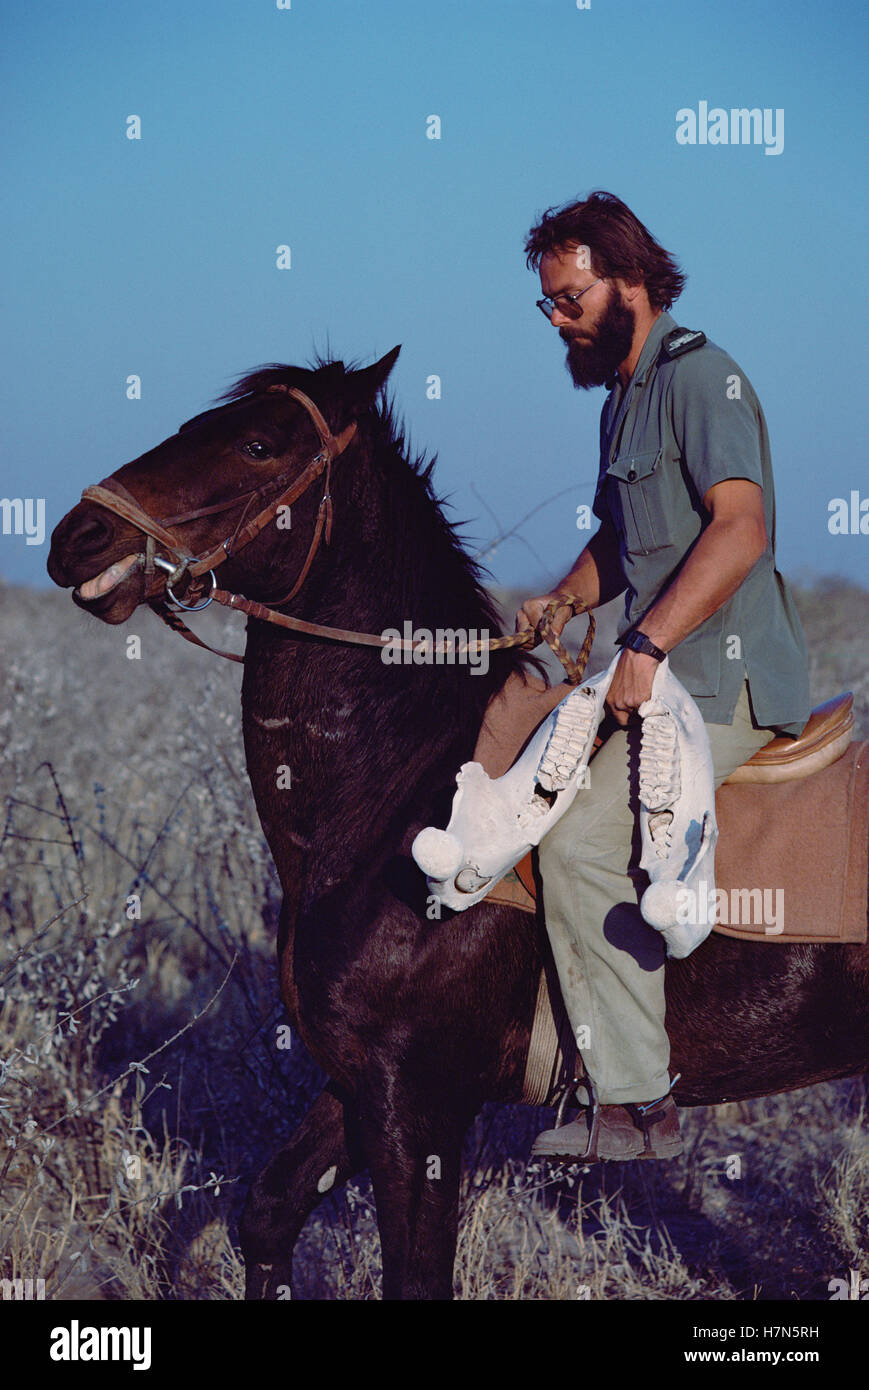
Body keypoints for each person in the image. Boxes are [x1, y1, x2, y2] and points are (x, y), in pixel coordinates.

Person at [482, 190, 811, 1161]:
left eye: (570, 298)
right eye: (545, 304)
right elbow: (618, 543)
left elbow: (739, 529)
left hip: (719, 684)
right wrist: (559, 605)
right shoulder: (623, 397)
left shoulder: (702, 378)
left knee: (579, 839)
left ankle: (636, 1105)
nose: (557, 319)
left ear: (628, 281)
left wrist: (645, 643)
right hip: (661, 675)